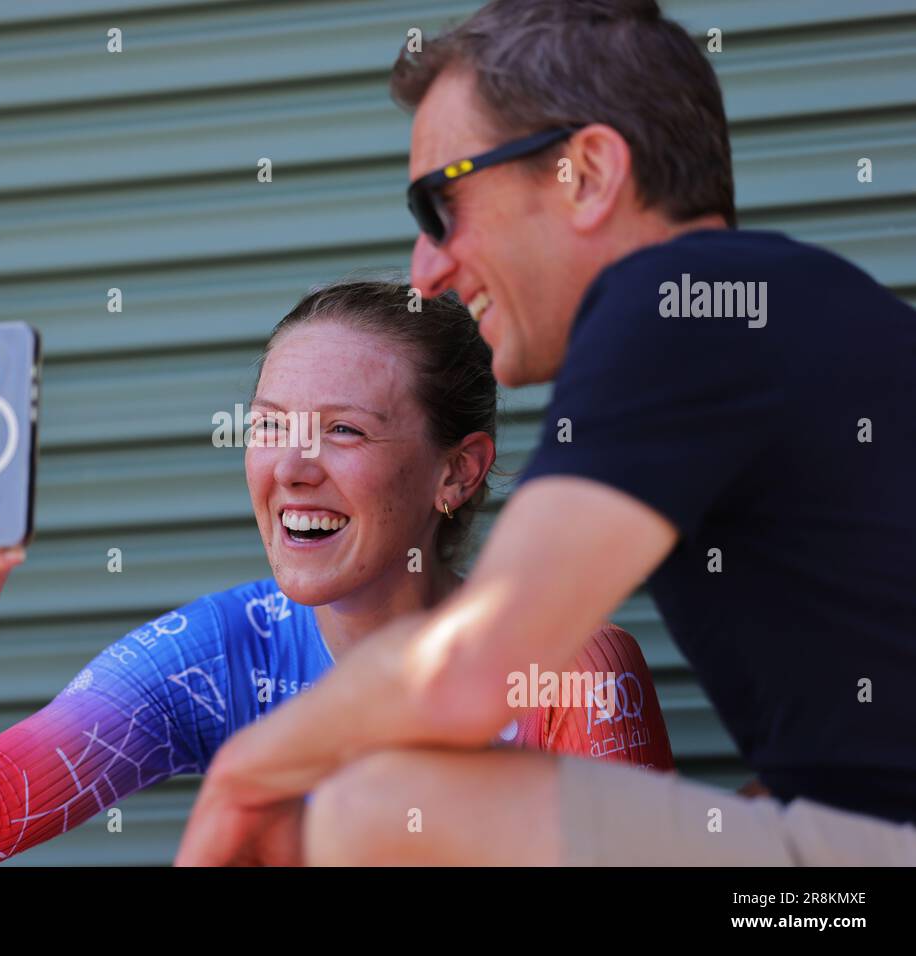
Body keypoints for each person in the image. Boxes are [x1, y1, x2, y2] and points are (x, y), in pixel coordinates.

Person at [173, 0, 916, 867]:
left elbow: (464, 671)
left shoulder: (672, 302)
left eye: (443, 201)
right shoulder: (764, 300)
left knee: (378, 805)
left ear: (589, 173)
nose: (428, 266)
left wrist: (241, 771)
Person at [0, 278, 673, 866]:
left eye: (344, 432)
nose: (291, 467)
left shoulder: (570, 671)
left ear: (458, 474)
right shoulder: (218, 653)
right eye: (269, 427)